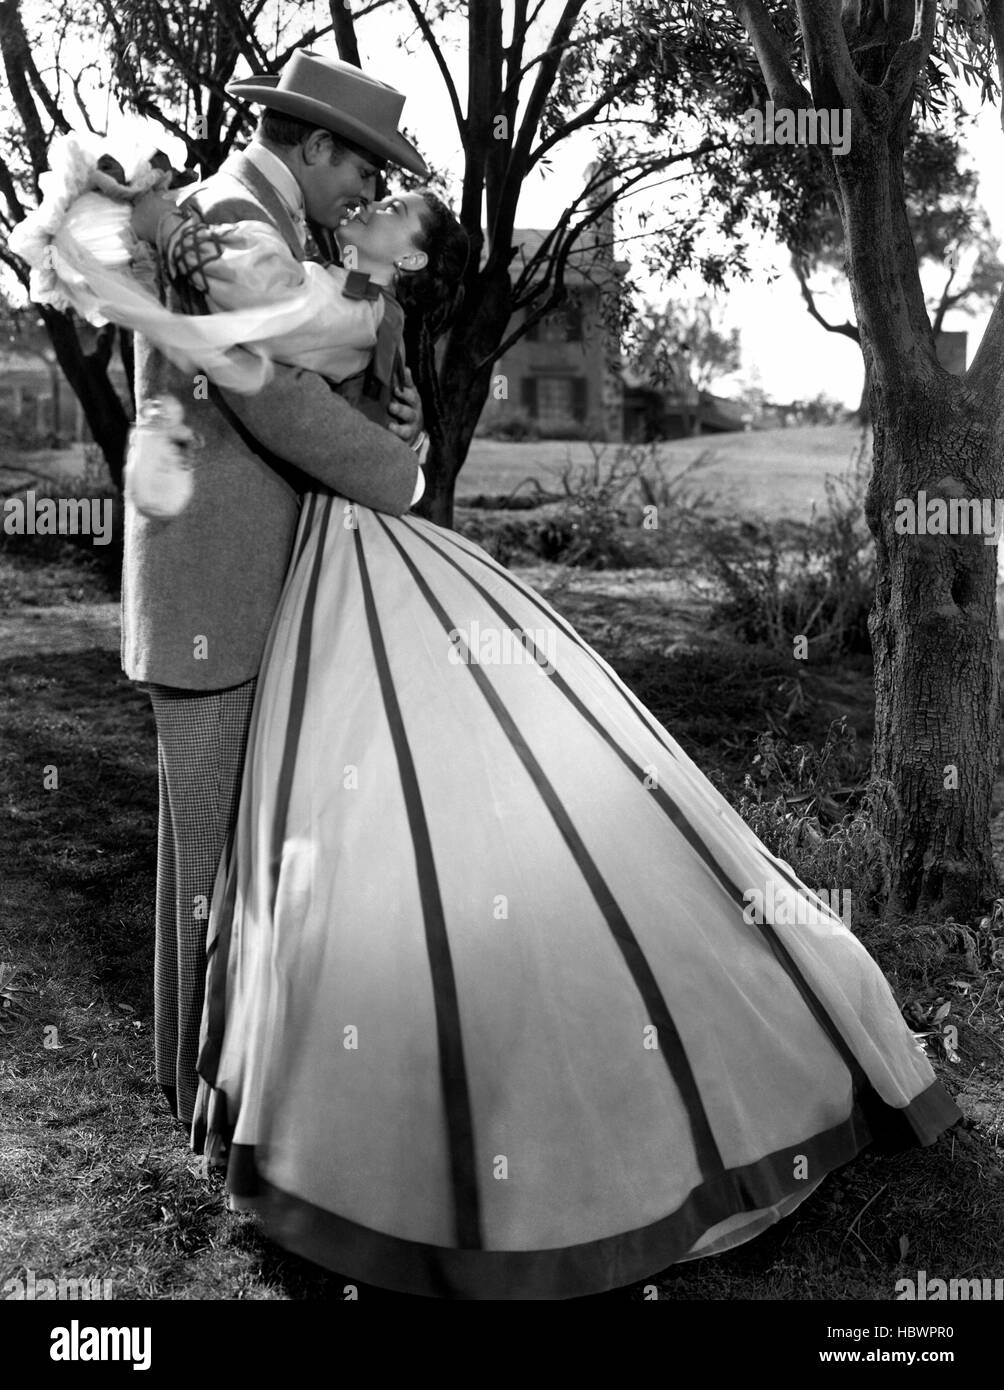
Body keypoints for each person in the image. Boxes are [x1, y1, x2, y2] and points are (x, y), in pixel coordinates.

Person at [188, 197, 961, 1303]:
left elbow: (301, 387)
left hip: (365, 550)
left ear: (406, 256)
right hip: (348, 557)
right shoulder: (349, 299)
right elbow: (357, 409)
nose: (366, 209)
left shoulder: (355, 305)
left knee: (430, 767)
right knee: (374, 791)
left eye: (391, 213)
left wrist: (186, 258)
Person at [119, 52, 431, 1126]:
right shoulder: (218, 223)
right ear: (316, 145)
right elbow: (277, 402)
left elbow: (345, 373)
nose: (368, 194)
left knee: (253, 856)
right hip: (212, 598)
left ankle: (230, 1091)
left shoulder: (280, 231)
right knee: (207, 864)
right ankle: (201, 1100)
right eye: (363, 169)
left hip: (266, 595)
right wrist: (404, 475)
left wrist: (403, 421)